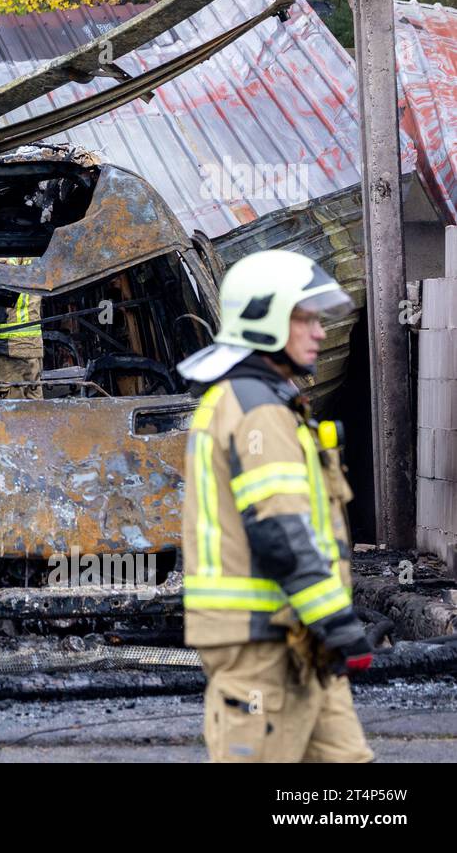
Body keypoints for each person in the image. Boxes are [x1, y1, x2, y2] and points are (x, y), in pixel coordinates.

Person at [177, 249, 374, 763]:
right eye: (305, 318)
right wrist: (338, 622)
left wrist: (328, 628)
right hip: (262, 644)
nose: (321, 332)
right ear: (266, 321)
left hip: (298, 638)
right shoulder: (258, 410)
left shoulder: (262, 401)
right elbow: (280, 531)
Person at [0, 257, 43, 399]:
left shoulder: (0, 253)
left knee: (11, 413)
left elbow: (1, 270)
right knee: (34, 411)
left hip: (5, 348)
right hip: (27, 346)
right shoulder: (34, 249)